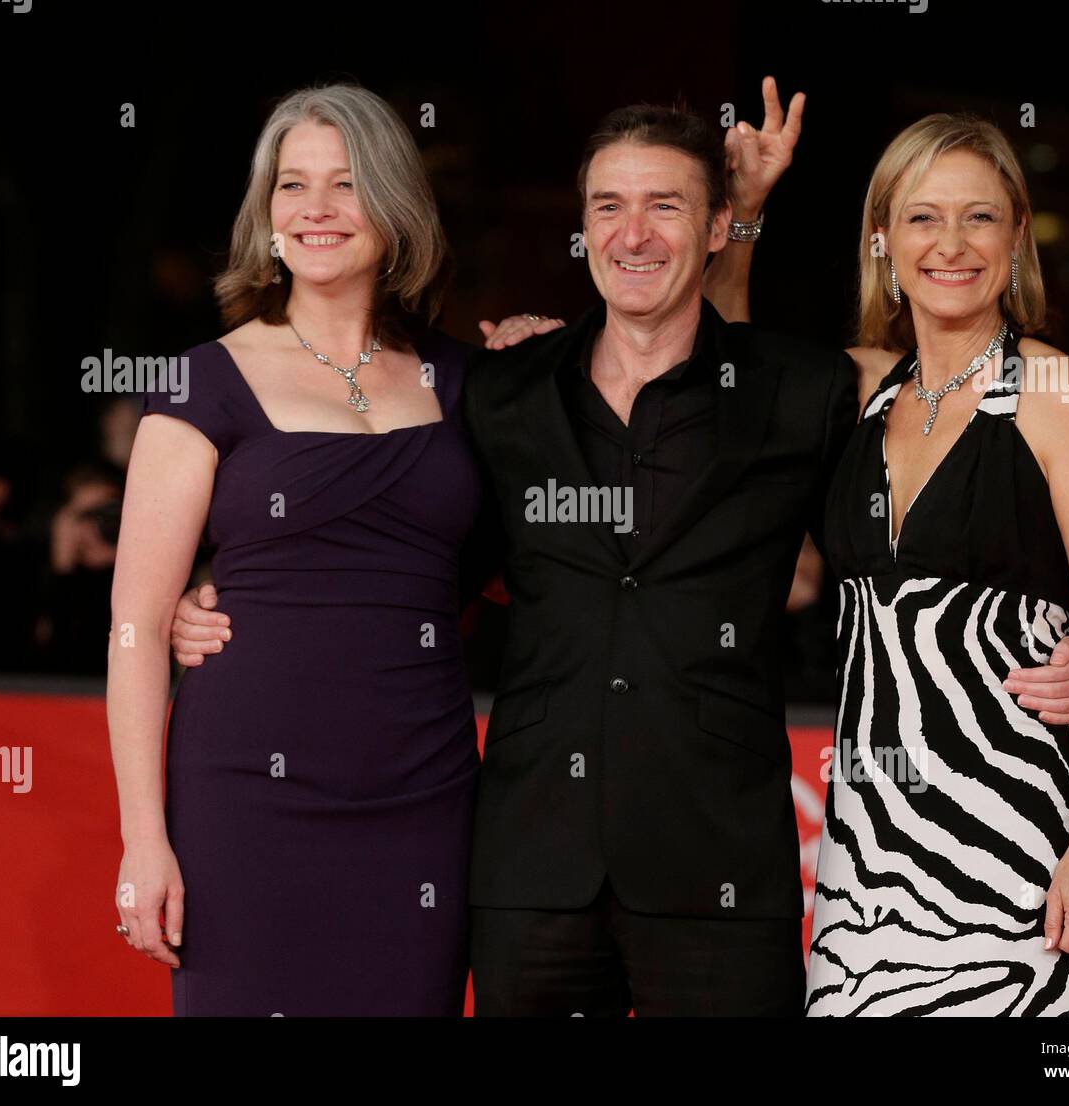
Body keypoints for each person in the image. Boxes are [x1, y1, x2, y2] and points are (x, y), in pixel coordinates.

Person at [172, 91, 1069, 1016]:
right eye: (610, 207)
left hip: (722, 870)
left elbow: (937, 513)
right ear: (583, 229)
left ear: (716, 227)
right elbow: (403, 552)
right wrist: (230, 592)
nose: (635, 233)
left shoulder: (799, 391)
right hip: (531, 869)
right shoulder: (503, 391)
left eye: (667, 207)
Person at [108, 79, 768, 1017]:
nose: (317, 210)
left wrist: (554, 370)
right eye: (292, 187)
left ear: (393, 203)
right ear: (266, 215)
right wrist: (144, 839)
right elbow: (133, 623)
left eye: (345, 184)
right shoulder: (203, 383)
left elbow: (580, 532)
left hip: (424, 803)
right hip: (244, 800)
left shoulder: (470, 381)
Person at [805, 113, 1069, 1015]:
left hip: (1020, 853)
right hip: (862, 864)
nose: (950, 245)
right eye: (923, 218)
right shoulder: (858, 394)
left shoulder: (1062, 395)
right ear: (882, 239)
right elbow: (711, 362)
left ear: (1017, 239)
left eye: (980, 218)